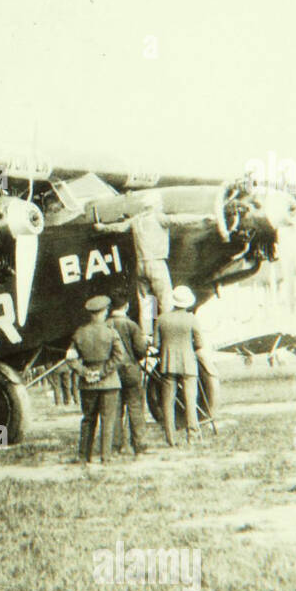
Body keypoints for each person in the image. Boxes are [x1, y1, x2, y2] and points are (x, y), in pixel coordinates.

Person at [93, 195, 218, 329]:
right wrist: (202, 217)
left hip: (141, 265)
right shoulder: (158, 217)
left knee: (146, 302)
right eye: (160, 204)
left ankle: (147, 334)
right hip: (156, 263)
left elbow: (119, 227)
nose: (161, 206)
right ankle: (168, 331)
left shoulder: (137, 219)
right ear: (155, 205)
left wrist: (101, 227)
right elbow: (179, 220)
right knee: (166, 301)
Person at [66, 295, 127, 463]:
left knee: (88, 419)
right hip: (109, 382)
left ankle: (83, 456)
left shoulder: (79, 333)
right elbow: (120, 357)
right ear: (104, 312)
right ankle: (105, 457)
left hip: (87, 384)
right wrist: (102, 373)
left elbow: (70, 358)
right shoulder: (110, 332)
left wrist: (85, 372)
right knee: (108, 420)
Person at [155, 285, 205, 446]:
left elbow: (156, 344)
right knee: (190, 400)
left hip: (167, 365)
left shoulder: (162, 319)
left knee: (167, 402)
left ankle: (170, 437)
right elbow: (199, 343)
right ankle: (192, 435)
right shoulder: (192, 319)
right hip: (188, 365)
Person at [106, 298, 149, 455]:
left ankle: (115, 446)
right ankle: (140, 444)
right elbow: (140, 351)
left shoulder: (105, 325)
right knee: (135, 407)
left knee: (114, 410)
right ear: (126, 305)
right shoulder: (131, 325)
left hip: (111, 373)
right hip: (130, 371)